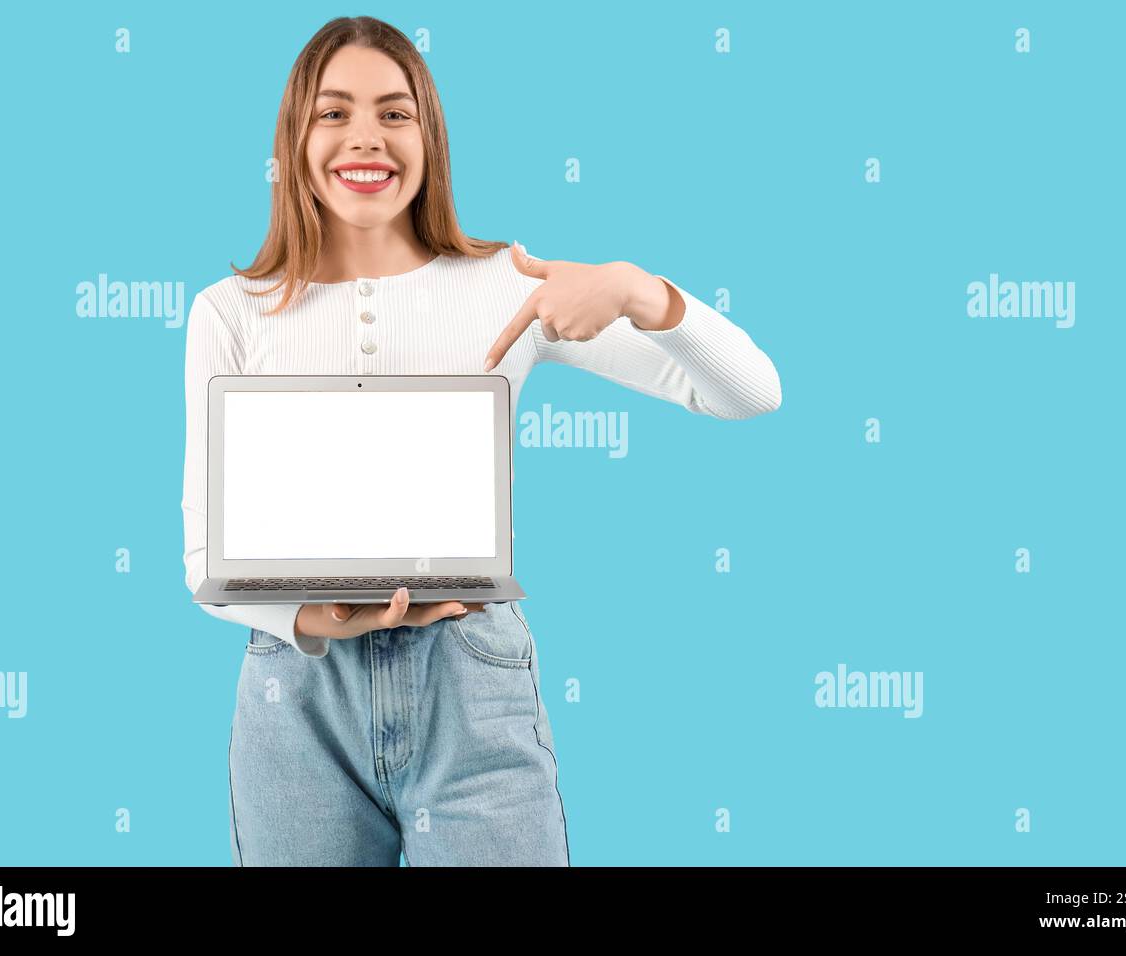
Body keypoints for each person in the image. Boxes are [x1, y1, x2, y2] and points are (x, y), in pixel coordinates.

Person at [182, 15, 782, 866]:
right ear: (294, 136)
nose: (367, 138)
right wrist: (319, 618)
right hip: (298, 693)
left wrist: (637, 290)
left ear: (429, 135)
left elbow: (751, 392)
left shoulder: (507, 283)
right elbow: (205, 560)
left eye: (396, 113)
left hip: (470, 676)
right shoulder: (230, 310)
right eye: (334, 112)